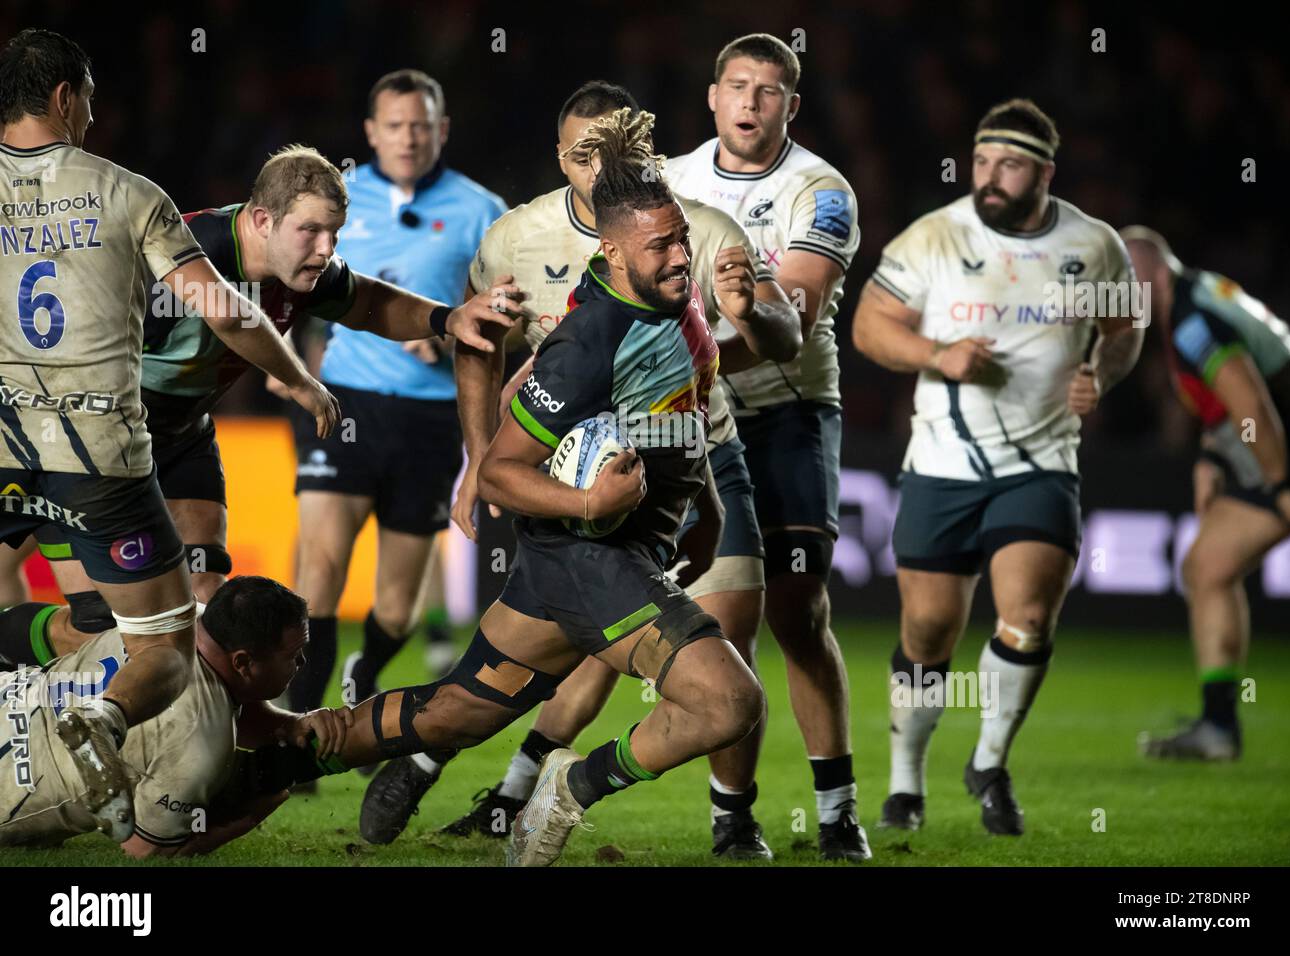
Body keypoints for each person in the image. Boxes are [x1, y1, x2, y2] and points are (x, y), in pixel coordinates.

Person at [258, 111, 765, 868]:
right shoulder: (587, 346)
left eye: (681, 240)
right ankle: (572, 785)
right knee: (732, 701)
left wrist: (706, 509)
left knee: (457, 711)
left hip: (604, 557)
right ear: (612, 251)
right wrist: (592, 503)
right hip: (591, 557)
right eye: (660, 246)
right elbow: (501, 471)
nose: (679, 256)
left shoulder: (676, 298)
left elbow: (684, 409)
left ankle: (278, 751)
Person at [0, 29, 339, 840]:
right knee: (162, 643)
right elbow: (224, 308)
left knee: (83, 616)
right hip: (98, 457)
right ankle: (106, 723)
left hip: (4, 443)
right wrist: (292, 376)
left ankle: (38, 693)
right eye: (88, 99)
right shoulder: (127, 193)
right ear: (64, 99)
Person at [26, 144, 519, 623]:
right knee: (98, 618)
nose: (326, 249)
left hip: (181, 430)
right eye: (311, 230)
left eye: (335, 233)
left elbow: (368, 303)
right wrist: (300, 380)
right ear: (262, 220)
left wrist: (446, 319)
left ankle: (206, 708)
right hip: (90, 429)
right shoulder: (197, 248)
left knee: (202, 592)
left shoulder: (301, 265)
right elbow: (230, 317)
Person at [852, 98, 1144, 835]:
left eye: (1008, 164)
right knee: (927, 633)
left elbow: (1124, 327)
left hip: (1040, 463)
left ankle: (988, 761)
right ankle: (906, 785)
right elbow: (868, 326)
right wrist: (935, 355)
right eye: (982, 162)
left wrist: (1102, 375)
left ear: (1044, 171)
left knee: (1031, 617)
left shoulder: (1095, 244)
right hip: (942, 464)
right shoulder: (934, 236)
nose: (990, 177)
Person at [664, 33, 868, 859]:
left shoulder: (820, 191)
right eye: (737, 86)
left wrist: (686, 362)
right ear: (712, 97)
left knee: (800, 611)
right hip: (695, 421)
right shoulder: (666, 182)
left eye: (770, 89)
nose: (751, 102)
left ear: (791, 105)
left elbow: (797, 322)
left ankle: (837, 810)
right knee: (724, 621)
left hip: (787, 415)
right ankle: (733, 817)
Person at [286, 70, 509, 723]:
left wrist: (449, 339)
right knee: (321, 566)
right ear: (370, 133)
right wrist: (289, 355)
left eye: (420, 125)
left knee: (397, 603)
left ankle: (368, 668)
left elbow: (510, 319)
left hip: (430, 416)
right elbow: (293, 282)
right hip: (346, 401)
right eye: (394, 125)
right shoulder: (338, 199)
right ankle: (298, 731)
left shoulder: (483, 210)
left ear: (441, 129)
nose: (408, 138)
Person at [0, 575, 351, 855]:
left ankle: (101, 721)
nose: (301, 664)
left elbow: (224, 694)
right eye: (294, 654)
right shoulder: (199, 741)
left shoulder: (177, 616)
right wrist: (250, 811)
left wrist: (288, 724)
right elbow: (141, 849)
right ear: (243, 662)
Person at [1123, 226, 1290, 760]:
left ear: (1149, 273)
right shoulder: (1194, 296)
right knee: (1207, 568)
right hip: (1274, 452)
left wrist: (1284, 484)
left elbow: (1251, 404)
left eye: (1120, 279)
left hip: (1285, 451)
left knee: (1207, 568)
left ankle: (1220, 726)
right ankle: (1219, 726)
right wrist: (1213, 454)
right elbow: (1228, 400)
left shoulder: (1190, 321)